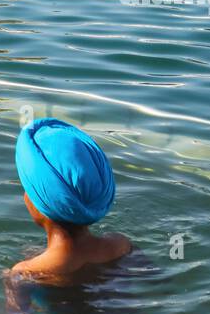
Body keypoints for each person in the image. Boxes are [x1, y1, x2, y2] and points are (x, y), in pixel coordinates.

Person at [10, 117, 131, 279]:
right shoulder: (120, 246)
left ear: (40, 202)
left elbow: (17, 305)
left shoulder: (26, 272)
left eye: (28, 189)